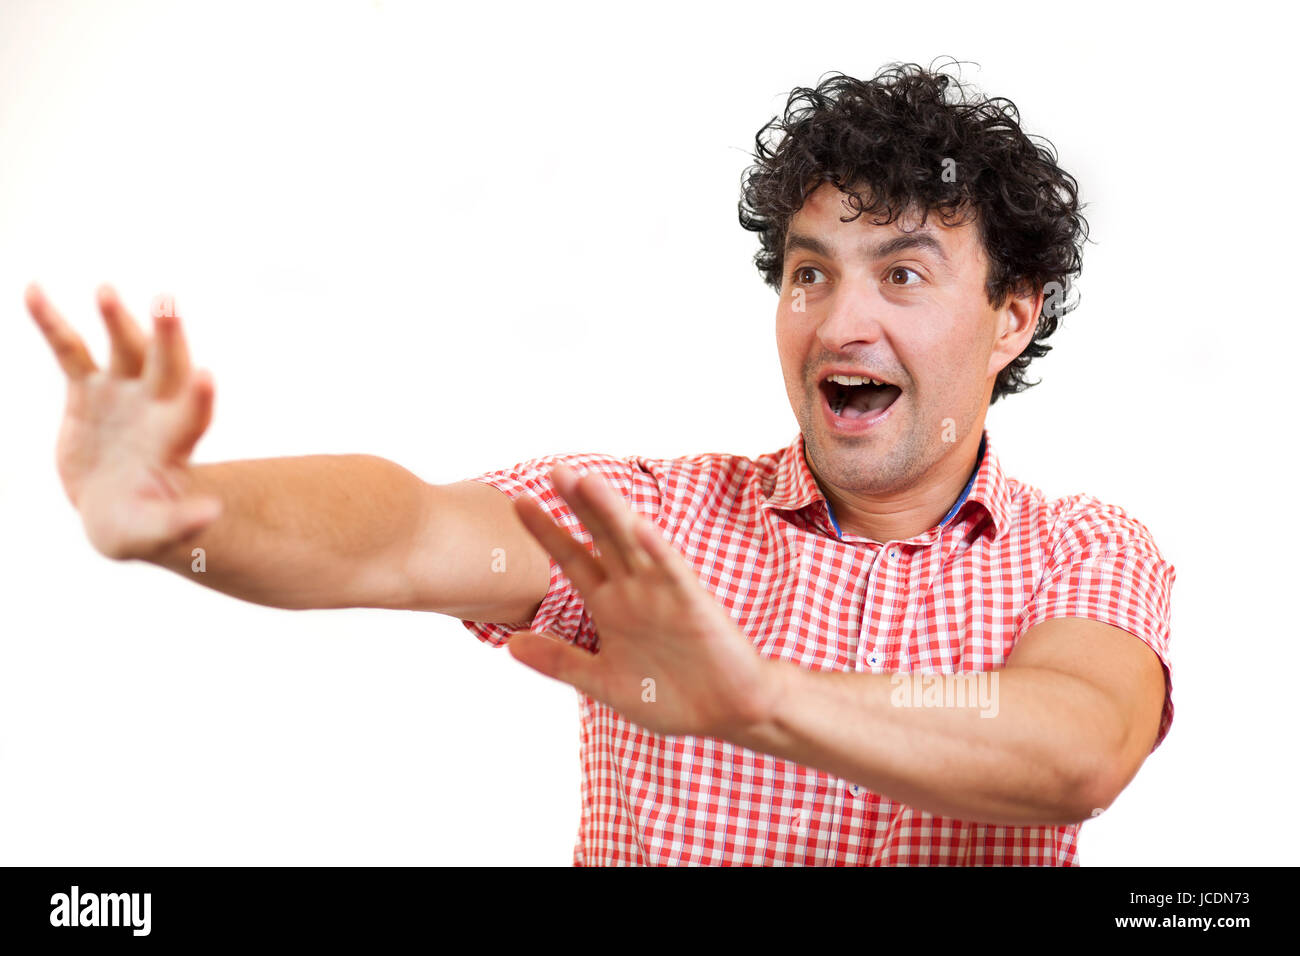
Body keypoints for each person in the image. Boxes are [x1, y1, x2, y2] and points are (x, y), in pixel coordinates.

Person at [24, 61, 1174, 866]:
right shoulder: (647, 523)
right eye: (810, 273)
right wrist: (187, 511)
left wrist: (764, 699)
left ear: (1012, 318)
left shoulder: (1082, 548)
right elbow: (404, 529)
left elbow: (1075, 744)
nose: (837, 324)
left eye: (904, 276)